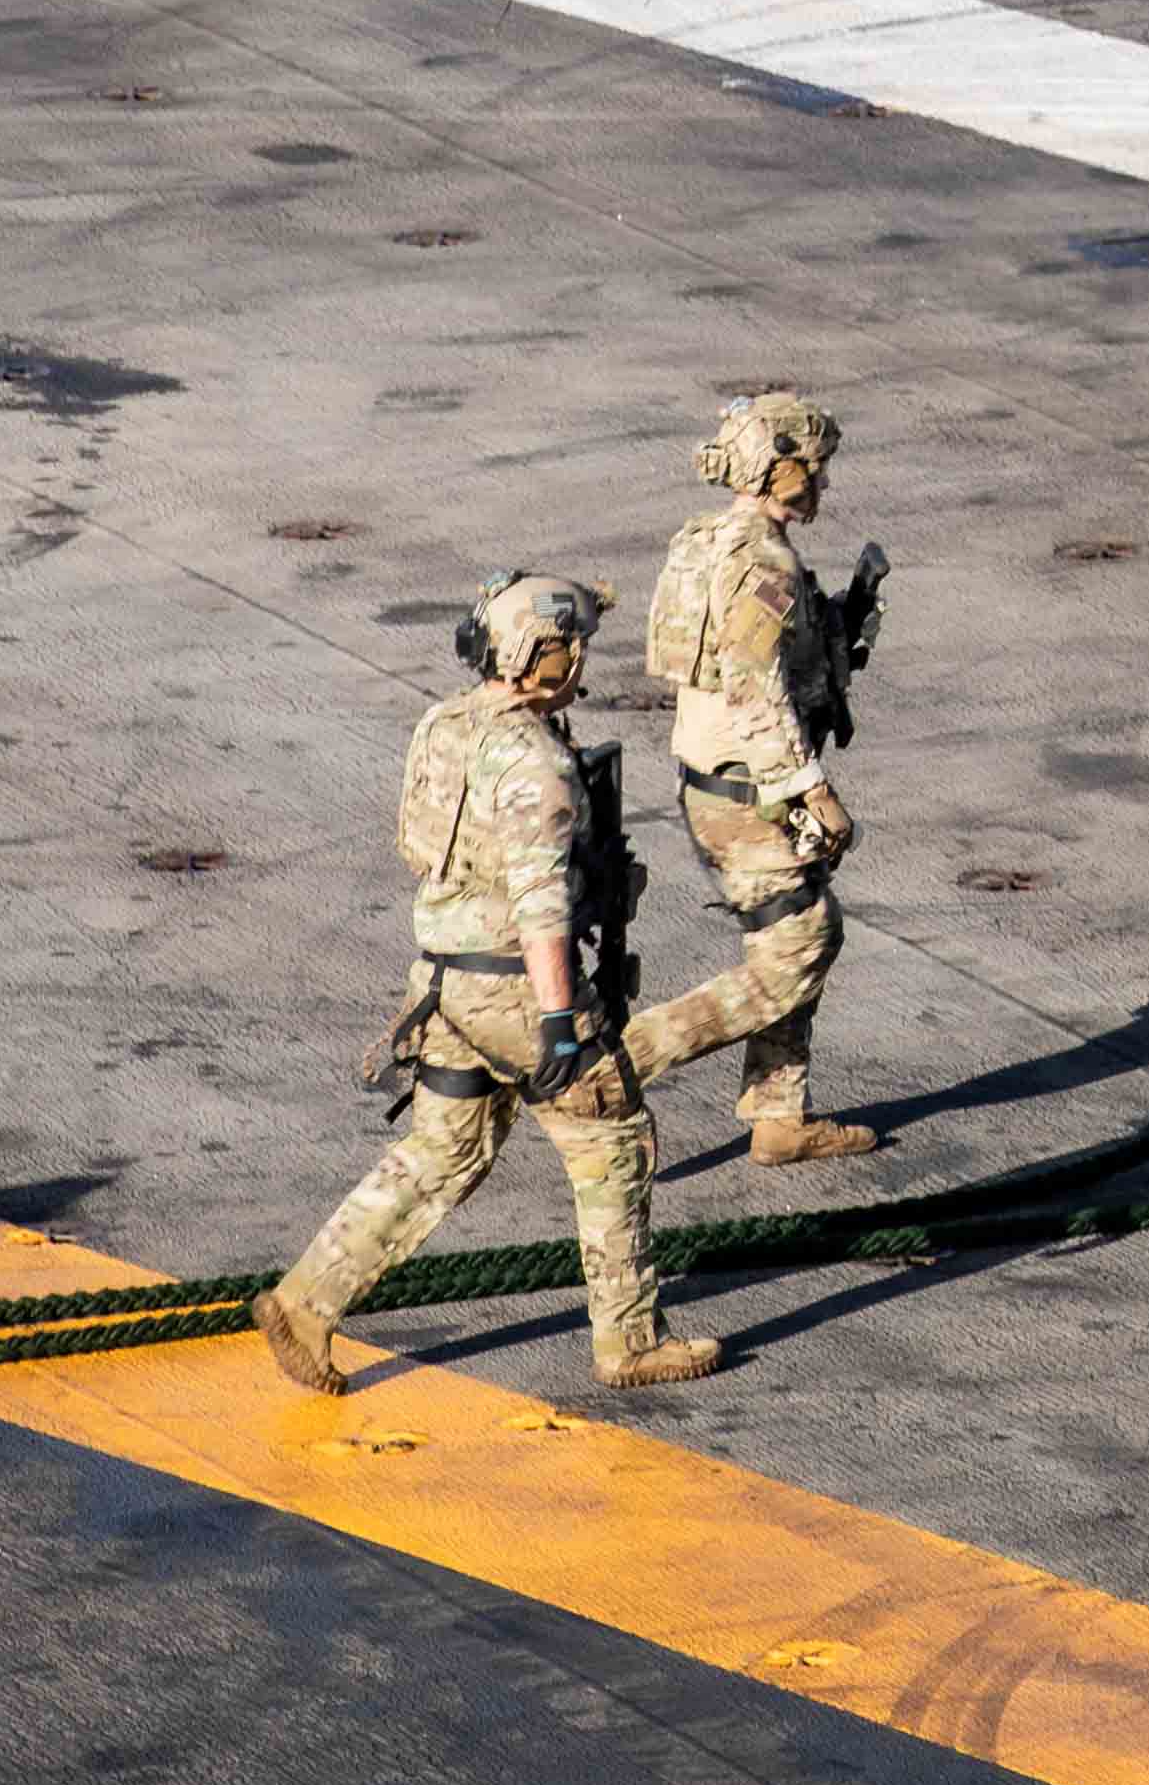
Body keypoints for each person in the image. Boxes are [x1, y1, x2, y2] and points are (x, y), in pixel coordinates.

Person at [256, 578, 718, 1397]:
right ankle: (631, 1339)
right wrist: (561, 1029)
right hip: (515, 988)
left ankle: (305, 1302)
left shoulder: (444, 724)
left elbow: (418, 843)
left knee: (445, 1151)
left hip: (440, 982)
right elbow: (544, 910)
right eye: (572, 646)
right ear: (548, 656)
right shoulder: (538, 766)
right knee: (613, 1134)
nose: (580, 660)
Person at [630, 392, 879, 1169]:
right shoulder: (762, 564)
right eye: (813, 467)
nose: (822, 483)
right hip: (751, 789)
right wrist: (812, 788)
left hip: (720, 778)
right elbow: (752, 686)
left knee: (792, 934)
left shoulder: (709, 540)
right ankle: (612, 1069)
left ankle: (779, 1113)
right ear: (781, 468)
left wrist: (837, 623)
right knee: (801, 949)